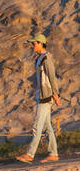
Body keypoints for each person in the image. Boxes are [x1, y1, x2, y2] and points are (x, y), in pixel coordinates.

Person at [17, 34, 62, 162]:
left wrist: (56, 95)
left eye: (34, 43)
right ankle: (53, 153)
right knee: (47, 126)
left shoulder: (46, 59)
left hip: (46, 97)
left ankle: (30, 154)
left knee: (37, 126)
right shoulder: (40, 58)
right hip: (41, 96)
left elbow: (52, 77)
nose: (32, 46)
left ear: (41, 44)